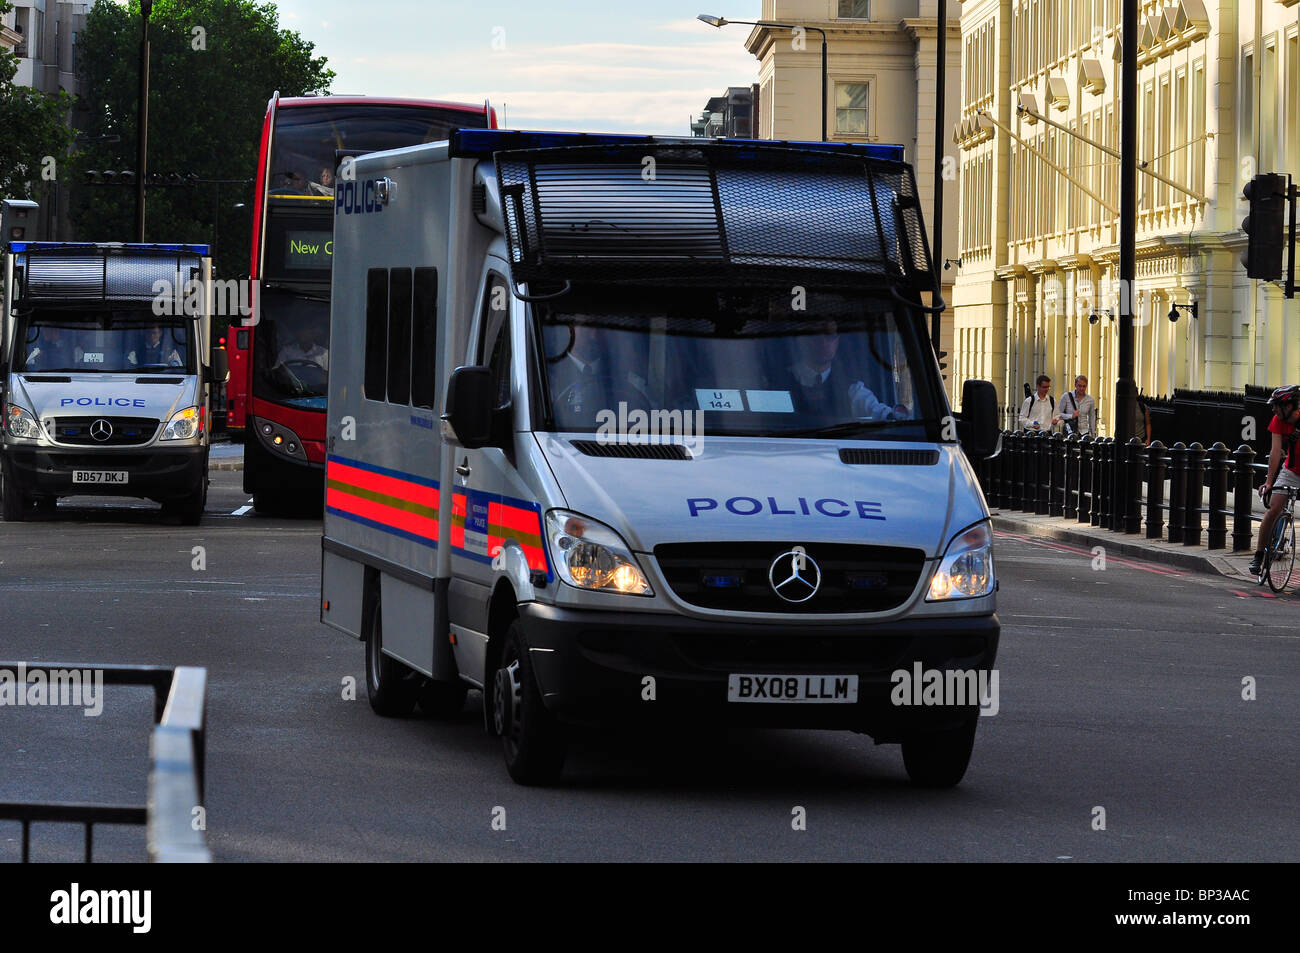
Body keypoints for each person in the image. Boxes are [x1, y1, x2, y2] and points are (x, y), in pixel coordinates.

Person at [778, 319, 901, 419]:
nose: (823, 342)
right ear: (801, 340)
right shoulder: (778, 381)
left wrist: (892, 415)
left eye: (829, 335)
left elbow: (876, 409)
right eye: (815, 334)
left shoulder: (851, 389)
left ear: (837, 341)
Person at [1249, 385, 1300, 576]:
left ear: (1289, 405)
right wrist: (1269, 483)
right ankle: (1259, 556)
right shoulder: (1278, 421)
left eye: (1277, 405)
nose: (1273, 409)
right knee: (1273, 509)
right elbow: (1275, 452)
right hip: (1291, 470)